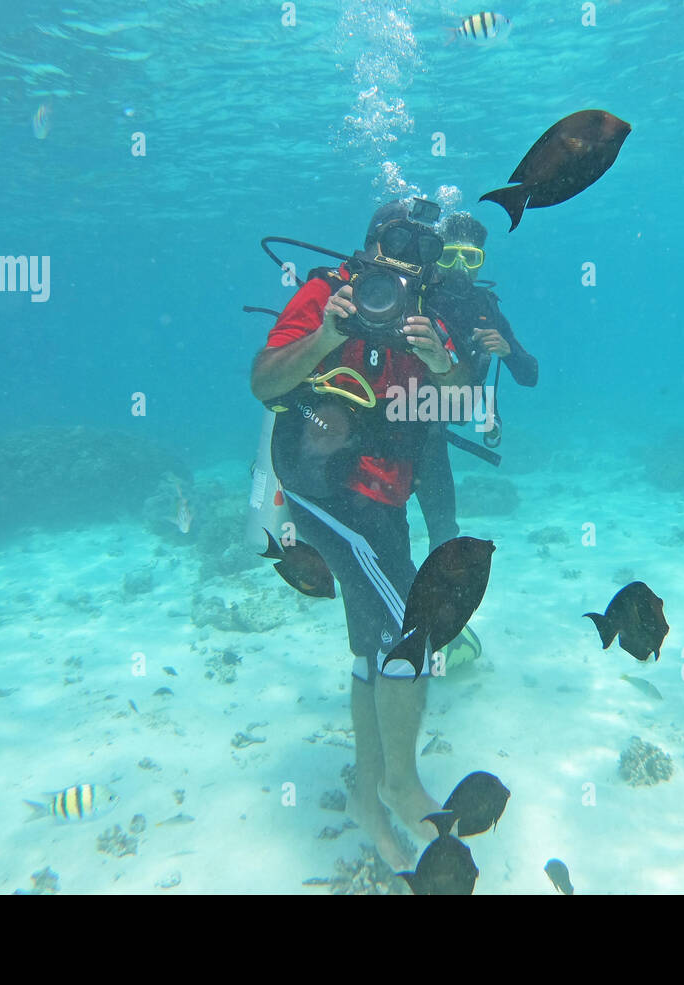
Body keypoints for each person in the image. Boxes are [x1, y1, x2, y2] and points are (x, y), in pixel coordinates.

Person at [250, 199, 467, 871]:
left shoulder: (429, 319)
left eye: (424, 249)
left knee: (373, 646)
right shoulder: (324, 294)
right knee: (414, 627)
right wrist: (322, 337)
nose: (408, 259)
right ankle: (402, 785)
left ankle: (368, 801)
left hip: (386, 499)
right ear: (371, 242)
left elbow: (459, 400)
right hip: (327, 489)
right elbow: (264, 382)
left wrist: (440, 361)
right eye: (397, 240)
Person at [413, 212, 539, 551]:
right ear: (434, 256)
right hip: (392, 419)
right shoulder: (415, 295)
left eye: (470, 258)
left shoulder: (487, 309)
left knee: (443, 531)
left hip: (432, 430)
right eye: (448, 255)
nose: (459, 267)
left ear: (481, 262)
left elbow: (530, 376)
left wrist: (508, 350)